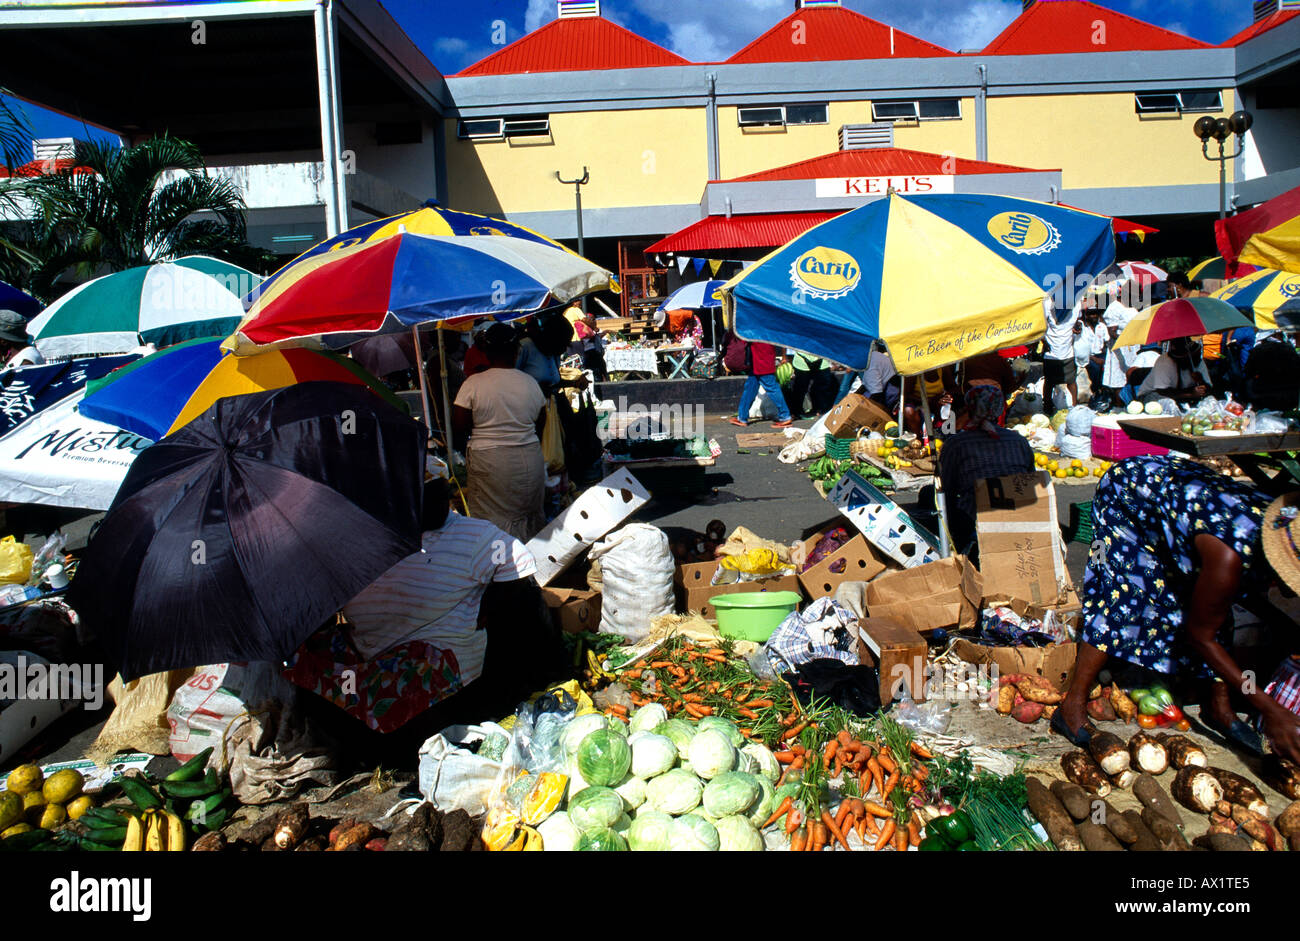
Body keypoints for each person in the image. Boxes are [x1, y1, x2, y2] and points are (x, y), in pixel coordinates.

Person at [284, 477, 566, 763]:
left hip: (422, 673)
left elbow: (517, 568)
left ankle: (374, 740)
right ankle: (386, 740)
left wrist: (491, 602)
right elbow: (518, 572)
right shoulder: (358, 544)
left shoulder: (471, 537)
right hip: (398, 673)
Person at [1055, 456, 1300, 766]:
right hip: (1132, 492)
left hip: (1187, 503)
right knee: (1121, 602)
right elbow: (1201, 637)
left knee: (1215, 606)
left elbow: (1240, 600)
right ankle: (1071, 706)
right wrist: (1269, 708)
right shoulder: (1227, 558)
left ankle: (1218, 708)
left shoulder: (1285, 517)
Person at [452, 323, 548, 540]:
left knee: (493, 523)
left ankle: (501, 569)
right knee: (529, 520)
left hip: (490, 462)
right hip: (529, 459)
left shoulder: (473, 383)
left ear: (486, 352)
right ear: (516, 352)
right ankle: (531, 567)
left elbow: (459, 424)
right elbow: (540, 423)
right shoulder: (530, 382)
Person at [937, 384, 1035, 555]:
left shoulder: (956, 443)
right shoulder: (1018, 440)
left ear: (970, 408)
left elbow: (948, 489)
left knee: (936, 498)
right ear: (999, 409)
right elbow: (1031, 479)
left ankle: (962, 547)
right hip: (1019, 513)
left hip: (976, 518)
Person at [730, 340, 791, 428]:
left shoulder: (756, 330)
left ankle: (785, 416)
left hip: (762, 363)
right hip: (759, 363)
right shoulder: (765, 329)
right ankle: (742, 417)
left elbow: (743, 338)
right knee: (750, 389)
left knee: (772, 389)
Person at [1135, 337, 1212, 402]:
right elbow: (1163, 391)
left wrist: (1201, 382)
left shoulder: (1198, 361)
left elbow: (1209, 386)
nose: (1195, 359)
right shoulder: (1164, 361)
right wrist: (1191, 394)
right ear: (1181, 358)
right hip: (1153, 395)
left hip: (1184, 395)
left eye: (1196, 355)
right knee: (1166, 402)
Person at [1041, 300, 1081, 414]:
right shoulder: (1047, 303)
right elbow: (1041, 325)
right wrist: (1043, 341)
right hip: (1051, 353)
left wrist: (1077, 327)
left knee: (1071, 381)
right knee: (1049, 382)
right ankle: (1047, 407)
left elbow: (1077, 322)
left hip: (1068, 351)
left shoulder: (1075, 304)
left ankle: (1074, 407)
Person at [787, 351, 836, 419]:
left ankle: (822, 410)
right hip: (801, 359)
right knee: (800, 389)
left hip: (821, 358)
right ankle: (796, 412)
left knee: (822, 388)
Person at [574, 312, 608, 381]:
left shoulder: (590, 329)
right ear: (587, 320)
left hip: (594, 354)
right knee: (595, 372)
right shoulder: (584, 328)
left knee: (601, 370)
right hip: (590, 354)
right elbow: (585, 338)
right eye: (592, 319)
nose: (595, 321)